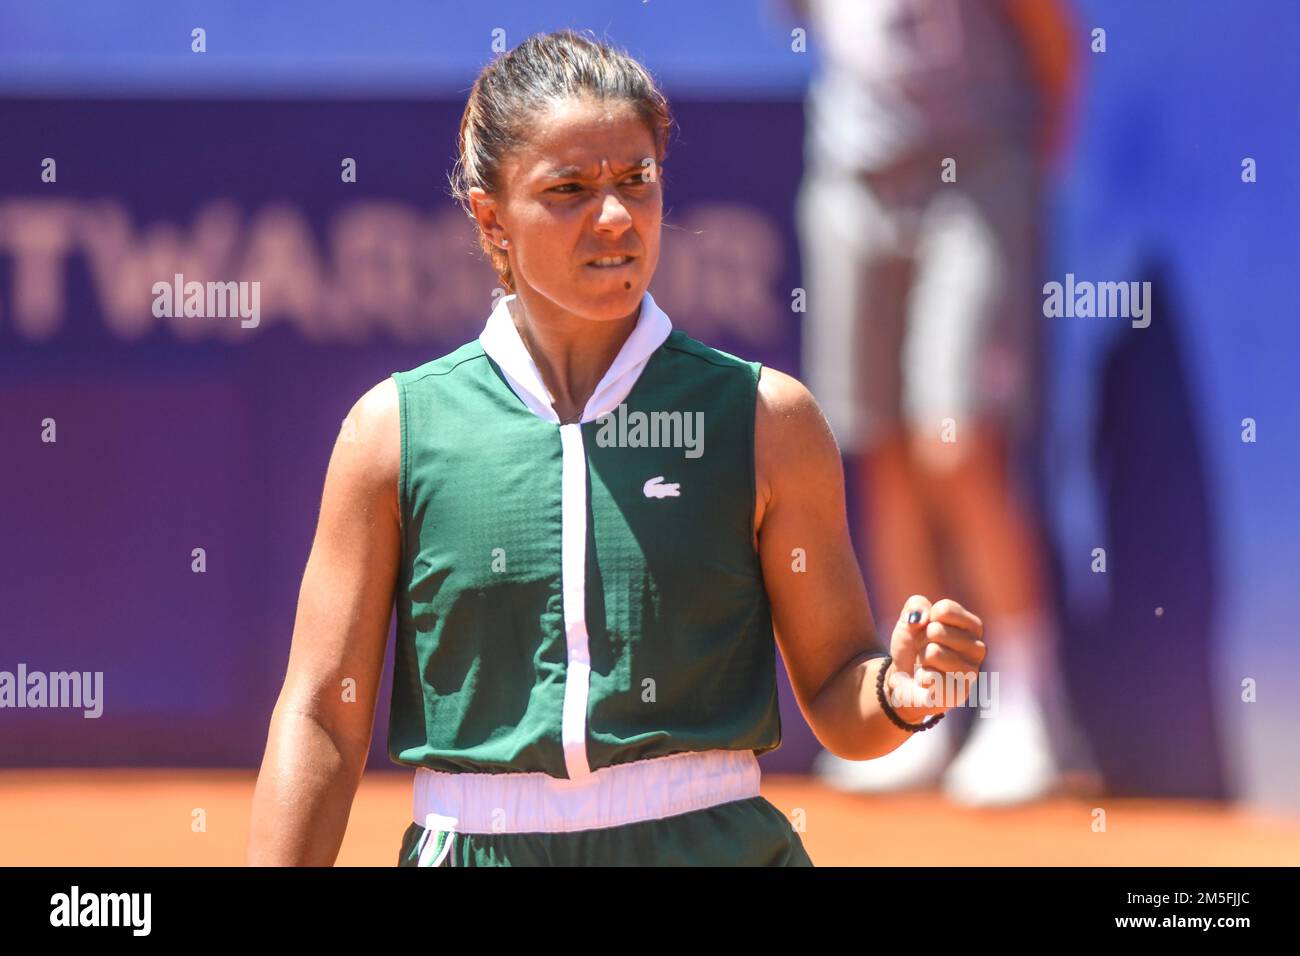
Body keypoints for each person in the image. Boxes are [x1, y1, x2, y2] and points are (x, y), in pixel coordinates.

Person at [246, 28, 986, 867]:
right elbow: (320, 716)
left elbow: (837, 689)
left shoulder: (766, 420)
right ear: (492, 219)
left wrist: (899, 690)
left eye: (637, 180)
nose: (615, 216)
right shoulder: (391, 432)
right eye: (568, 189)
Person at [791, 0, 1096, 804]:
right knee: (884, 448)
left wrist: (1024, 167)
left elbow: (1054, 44)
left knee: (955, 446)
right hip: (848, 184)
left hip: (977, 183)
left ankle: (1029, 708)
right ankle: (919, 705)